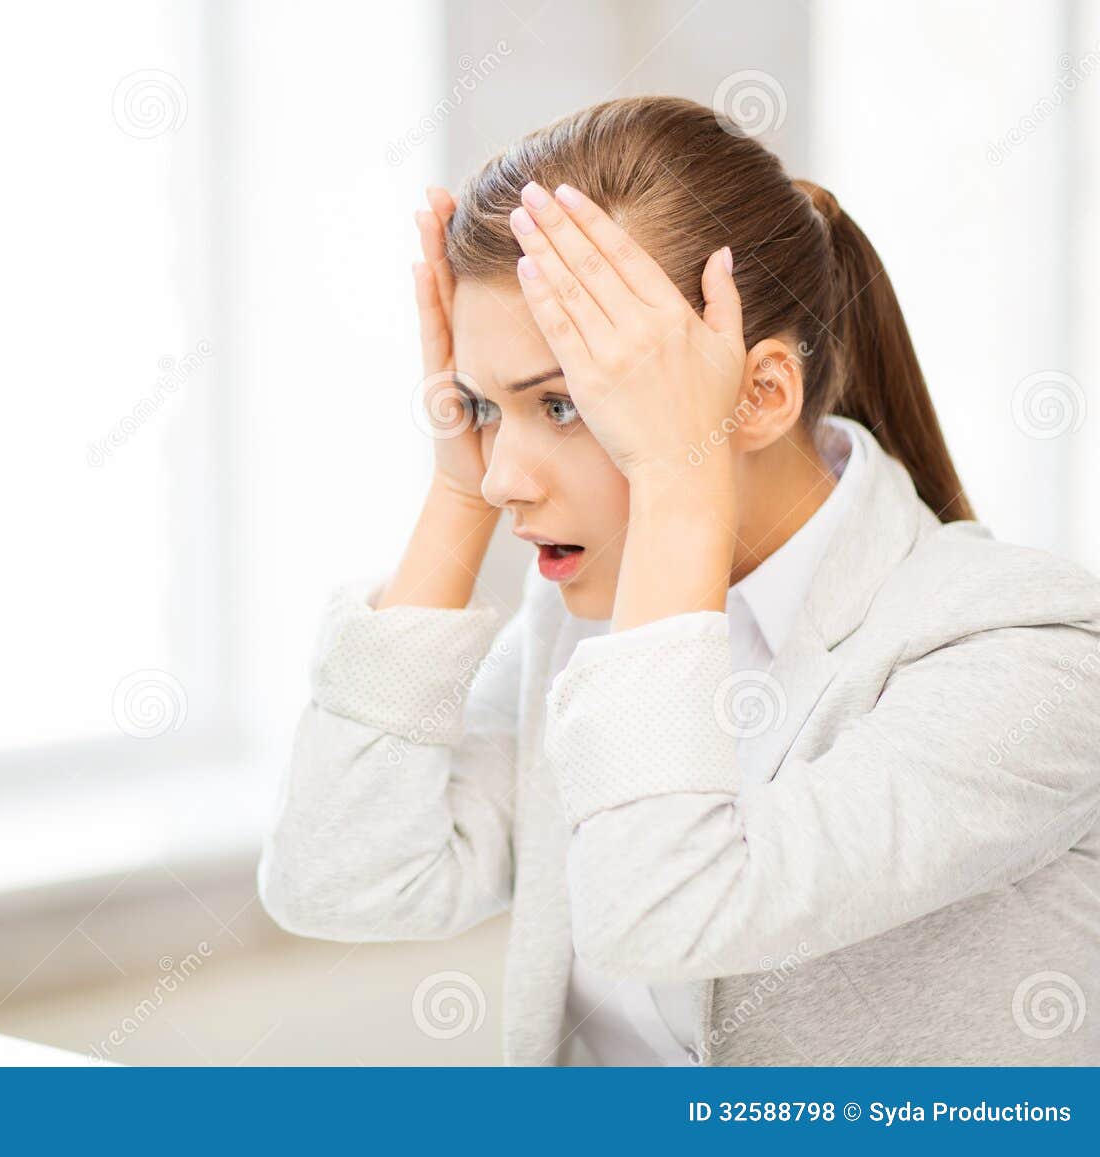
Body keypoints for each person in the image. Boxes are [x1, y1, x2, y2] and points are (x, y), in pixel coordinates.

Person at [256, 95, 1100, 1066]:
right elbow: (339, 876)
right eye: (486, 405)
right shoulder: (580, 624)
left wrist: (675, 480)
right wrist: (453, 489)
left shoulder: (1031, 654)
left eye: (565, 402)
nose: (502, 477)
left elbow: (660, 907)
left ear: (760, 394)